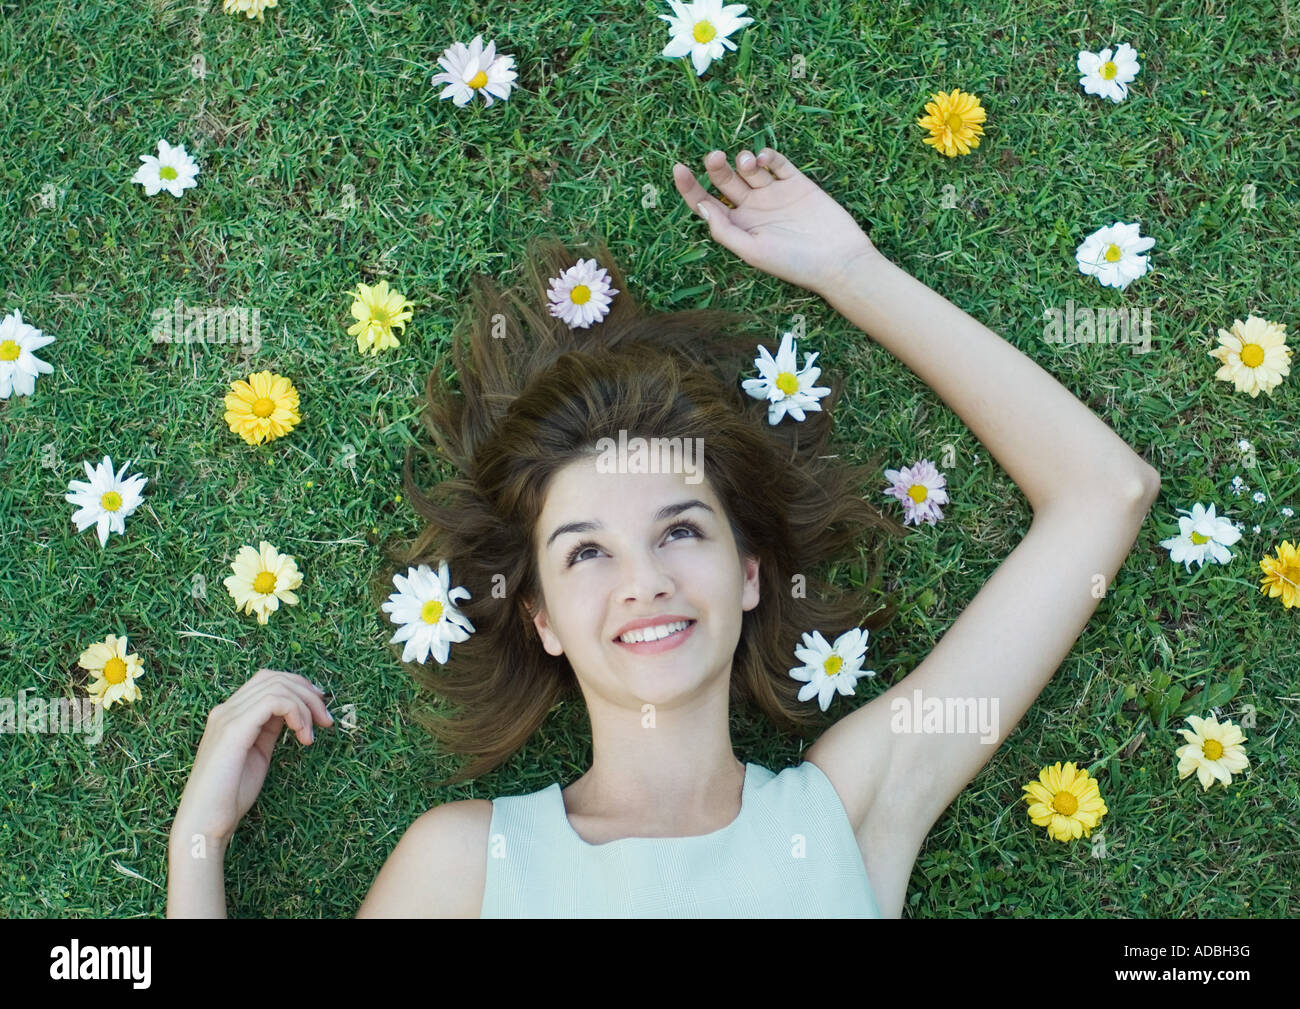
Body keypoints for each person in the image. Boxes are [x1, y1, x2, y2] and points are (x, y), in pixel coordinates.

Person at [167, 146, 1160, 919]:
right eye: (587, 550)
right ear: (544, 618)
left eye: (681, 530)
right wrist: (198, 842)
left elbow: (1103, 491)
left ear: (751, 574)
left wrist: (849, 270)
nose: (642, 579)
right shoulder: (465, 863)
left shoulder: (852, 812)